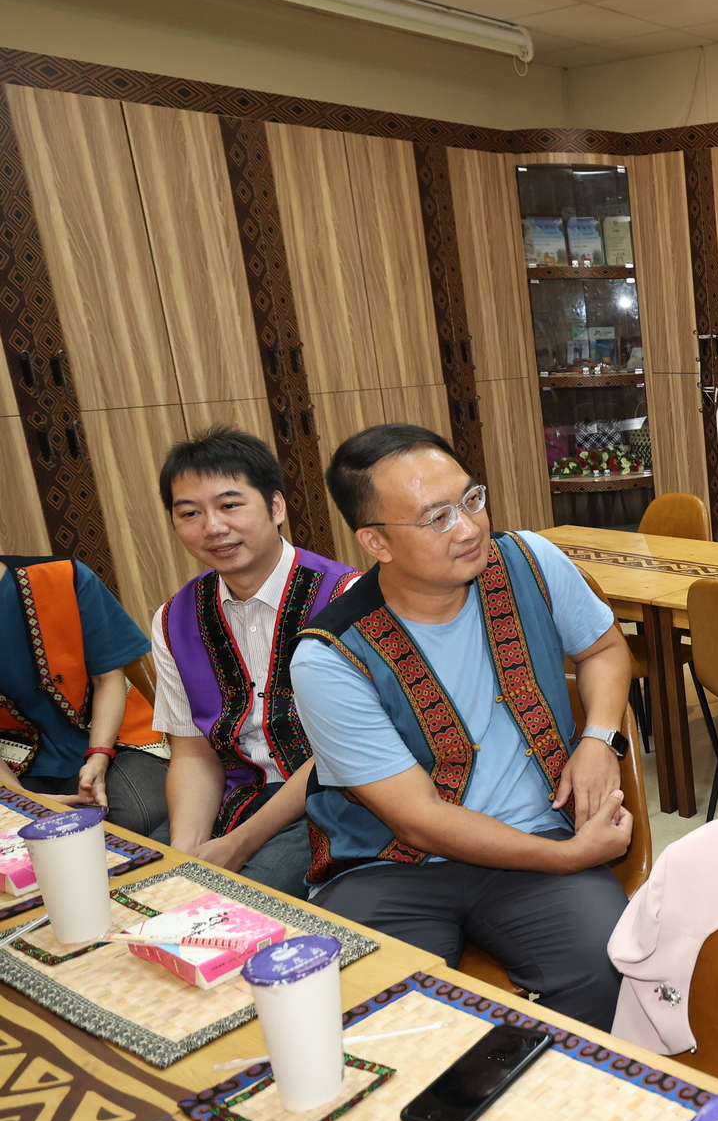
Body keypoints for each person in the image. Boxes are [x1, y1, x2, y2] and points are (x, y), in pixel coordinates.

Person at [290, 425, 636, 1030]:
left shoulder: (529, 561)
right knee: (377, 1010)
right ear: (376, 541)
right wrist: (570, 860)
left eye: (472, 500)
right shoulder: (329, 656)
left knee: (609, 972)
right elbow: (417, 819)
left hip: (540, 832)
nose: (470, 527)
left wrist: (598, 737)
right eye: (437, 517)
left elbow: (604, 650)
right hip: (390, 866)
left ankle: (573, 1115)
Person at [150, 428, 359, 895]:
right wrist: (185, 851)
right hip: (236, 794)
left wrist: (239, 845)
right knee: (150, 885)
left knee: (241, 905)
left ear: (276, 507)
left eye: (230, 505)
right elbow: (191, 752)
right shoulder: (173, 618)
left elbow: (341, 751)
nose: (213, 527)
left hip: (335, 798)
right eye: (190, 513)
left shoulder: (348, 598)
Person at [0, 556, 168, 830]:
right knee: (21, 834)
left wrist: (98, 758)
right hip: (14, 759)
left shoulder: (64, 576)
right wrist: (19, 801)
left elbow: (107, 679)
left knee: (142, 816)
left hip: (112, 735)